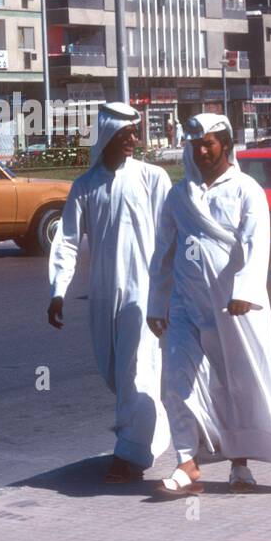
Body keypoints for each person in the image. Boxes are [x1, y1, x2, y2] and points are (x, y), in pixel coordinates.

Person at [147, 113, 271, 496]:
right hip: (185, 306)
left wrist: (244, 291)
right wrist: (157, 304)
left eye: (208, 143)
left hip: (233, 306)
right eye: (195, 144)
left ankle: (240, 464)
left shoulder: (246, 190)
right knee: (176, 381)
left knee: (236, 384)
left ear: (225, 145)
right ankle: (185, 462)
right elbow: (163, 251)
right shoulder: (179, 196)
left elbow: (254, 242)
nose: (200, 151)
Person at [48, 101, 172, 483]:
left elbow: (170, 238)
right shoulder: (85, 187)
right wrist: (57, 291)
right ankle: (159, 431)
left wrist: (170, 291)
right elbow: (67, 240)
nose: (133, 140)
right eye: (125, 134)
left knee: (138, 372)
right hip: (103, 295)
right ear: (107, 137)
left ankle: (130, 456)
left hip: (143, 292)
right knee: (115, 372)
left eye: (135, 132)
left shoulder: (152, 178)